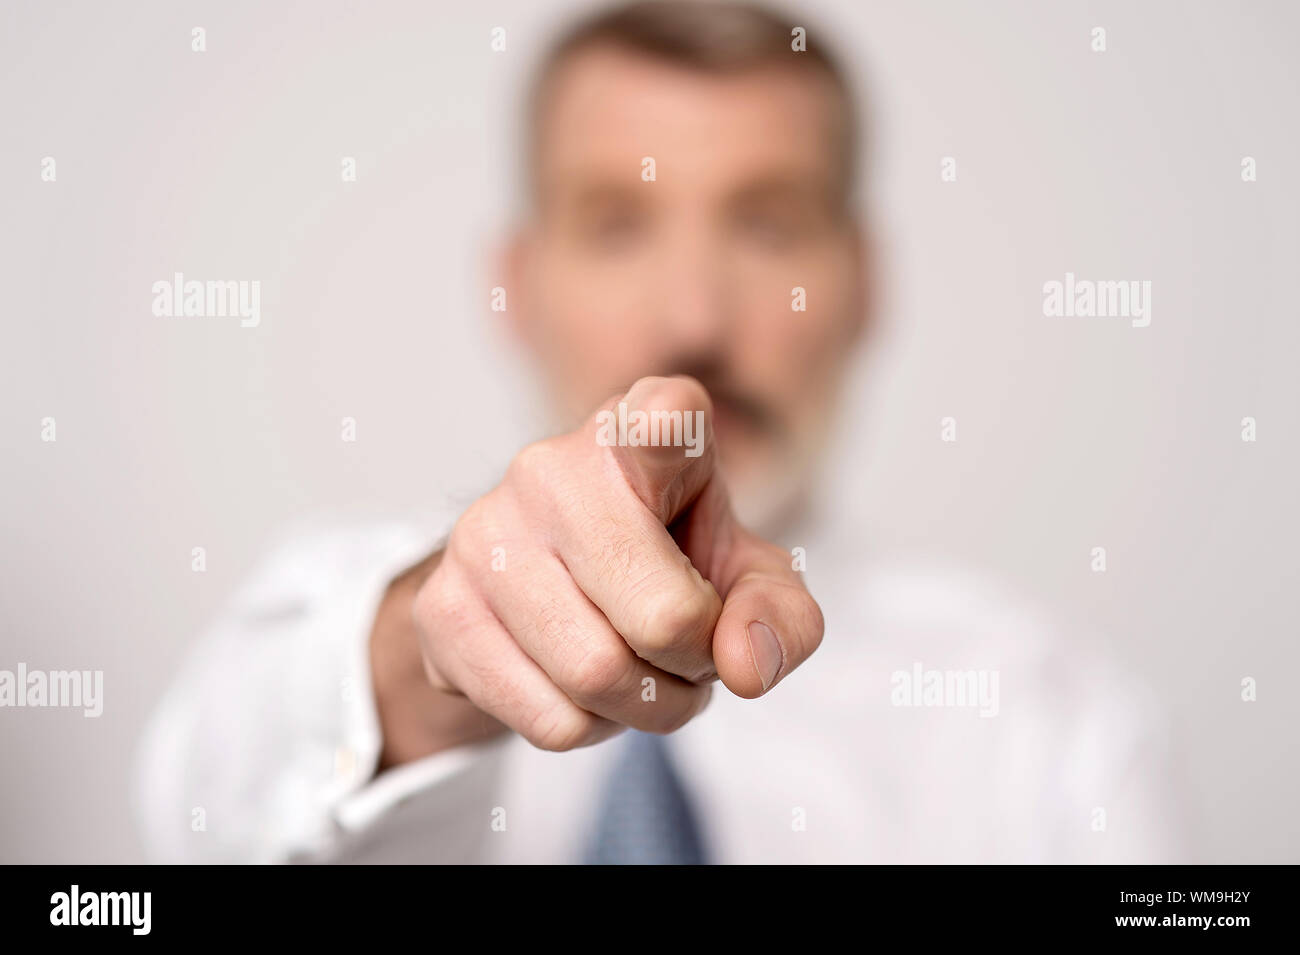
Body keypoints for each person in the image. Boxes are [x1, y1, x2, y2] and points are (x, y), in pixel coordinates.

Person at [133, 0, 1183, 864]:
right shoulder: (331, 609)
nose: (693, 316)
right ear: (515, 284)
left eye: (769, 223)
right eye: (615, 225)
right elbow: (198, 808)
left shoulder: (1041, 719)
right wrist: (428, 663)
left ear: (864, 284)